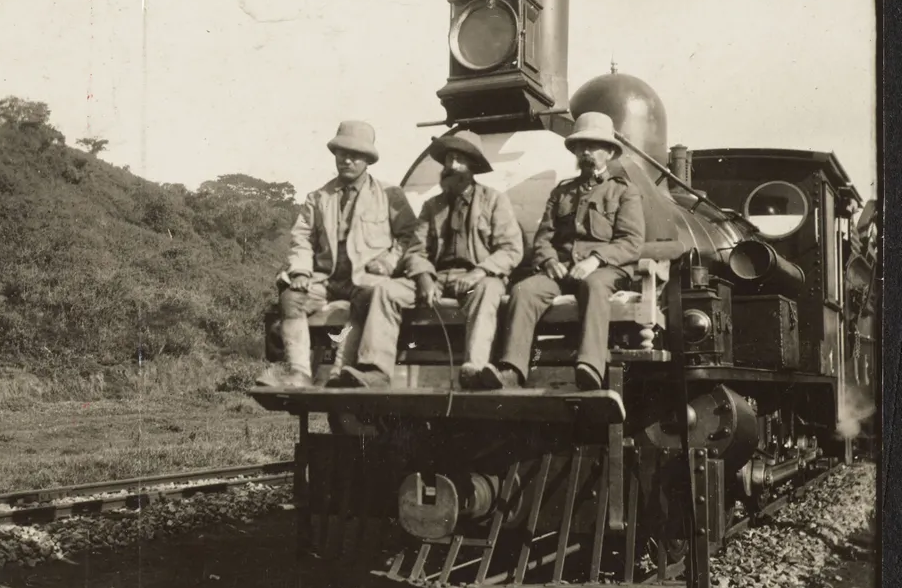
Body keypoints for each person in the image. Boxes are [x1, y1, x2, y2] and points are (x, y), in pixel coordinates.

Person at [335, 130, 524, 390]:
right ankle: (375, 371)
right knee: (385, 290)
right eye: (447, 159)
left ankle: (475, 368)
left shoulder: (494, 201)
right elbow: (416, 250)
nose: (450, 166)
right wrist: (424, 277)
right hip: (436, 278)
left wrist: (479, 272)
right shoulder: (432, 206)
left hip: (475, 279)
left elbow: (511, 249)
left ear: (472, 167)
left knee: (490, 288)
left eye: (458, 159)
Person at [480, 112, 645, 392]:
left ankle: (590, 367)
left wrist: (596, 260)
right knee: (524, 291)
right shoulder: (562, 192)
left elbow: (632, 242)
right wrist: (549, 260)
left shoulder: (623, 192)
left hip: (605, 271)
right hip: (563, 269)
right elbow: (544, 237)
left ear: (609, 152)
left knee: (594, 284)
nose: (586, 151)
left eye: (593, 146)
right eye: (581, 146)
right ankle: (512, 371)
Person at [257, 120, 416, 388]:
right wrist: (300, 271)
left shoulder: (390, 195)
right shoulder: (318, 198)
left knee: (367, 299)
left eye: (356, 155)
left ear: (367, 160)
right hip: (327, 279)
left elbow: (409, 235)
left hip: (366, 279)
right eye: (342, 153)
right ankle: (299, 373)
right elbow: (302, 238)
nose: (347, 160)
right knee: (291, 298)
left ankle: (341, 372)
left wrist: (388, 262)